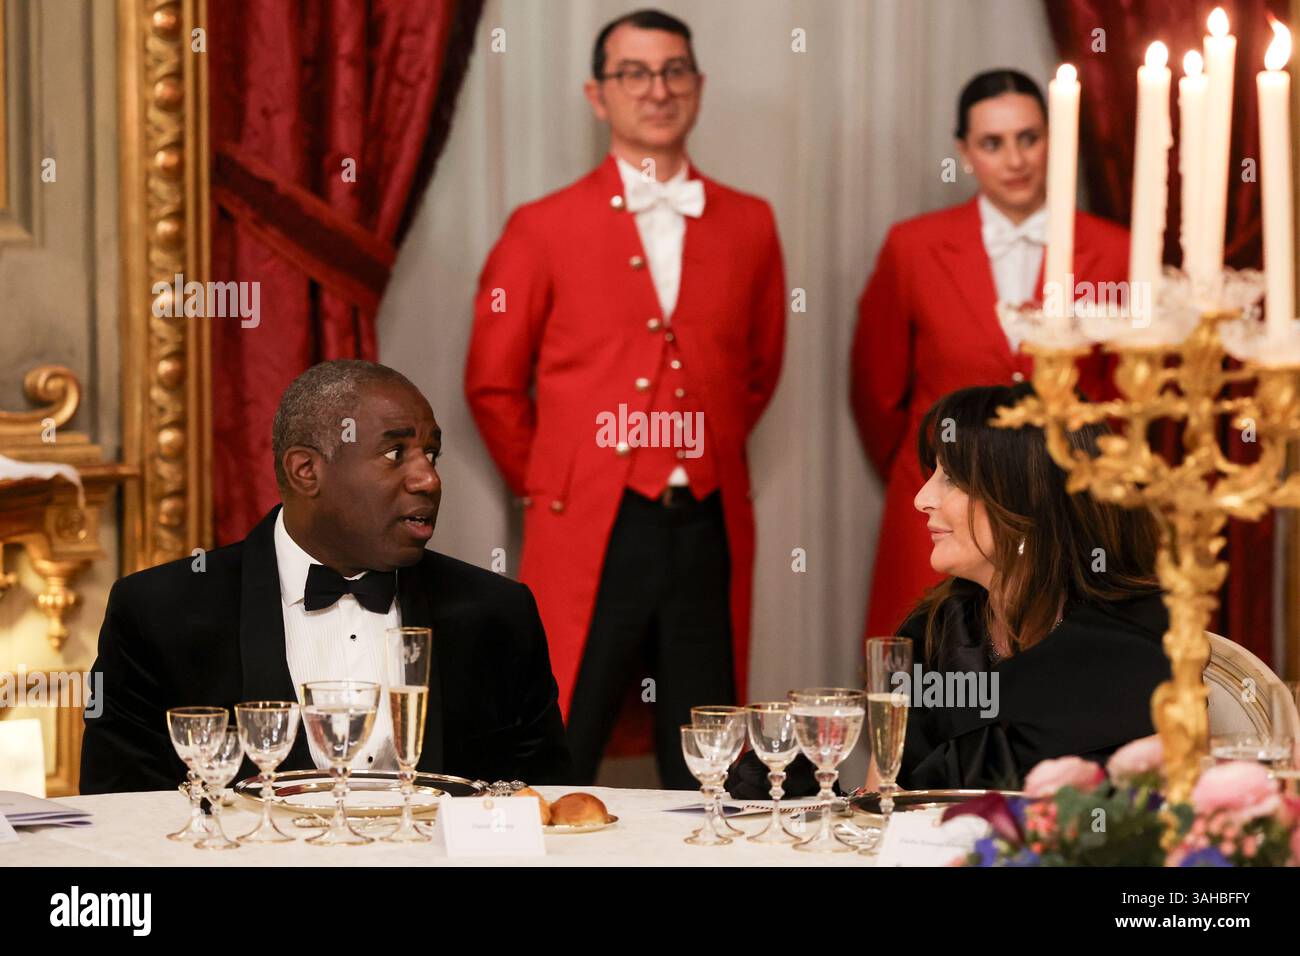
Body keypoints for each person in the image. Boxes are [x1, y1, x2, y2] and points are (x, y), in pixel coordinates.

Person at [465, 9, 785, 788]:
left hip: (706, 521)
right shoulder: (542, 227)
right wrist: (559, 485)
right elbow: (494, 384)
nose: (658, 89)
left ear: (698, 87)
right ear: (597, 94)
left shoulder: (750, 223)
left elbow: (757, 373)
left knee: (707, 751)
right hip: (591, 528)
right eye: (634, 73)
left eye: (674, 70)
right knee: (560, 734)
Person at [81, 360, 572, 793]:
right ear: (305, 471)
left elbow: (545, 803)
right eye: (396, 453)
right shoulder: (158, 612)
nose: (428, 478)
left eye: (431, 454)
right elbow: (120, 812)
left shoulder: (496, 613)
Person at [850, 68, 1130, 642]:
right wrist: (938, 467)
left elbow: (1128, 394)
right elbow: (876, 392)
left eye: (1029, 138)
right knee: (924, 669)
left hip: (1068, 506)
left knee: (1063, 666)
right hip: (938, 501)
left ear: (1054, 139)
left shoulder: (1116, 250)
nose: (1016, 158)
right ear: (965, 152)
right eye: (993, 143)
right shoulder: (913, 247)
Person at [894, 383, 1170, 790]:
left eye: (951, 479)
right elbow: (885, 799)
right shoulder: (934, 631)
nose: (922, 498)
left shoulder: (1133, 641)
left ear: (1025, 499)